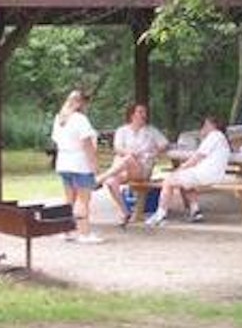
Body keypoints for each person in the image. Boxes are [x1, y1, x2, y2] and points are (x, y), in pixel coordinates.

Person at [146, 116, 231, 227]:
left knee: (168, 181)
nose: (203, 128)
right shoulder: (222, 138)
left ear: (213, 126)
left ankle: (160, 214)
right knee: (185, 181)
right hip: (215, 174)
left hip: (205, 174)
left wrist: (181, 168)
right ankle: (195, 211)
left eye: (206, 125)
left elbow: (197, 158)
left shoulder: (214, 136)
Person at [97, 103, 169, 226]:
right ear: (132, 115)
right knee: (111, 182)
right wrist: (130, 152)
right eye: (140, 112)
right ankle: (125, 212)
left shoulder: (151, 131)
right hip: (124, 169)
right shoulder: (122, 130)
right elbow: (117, 148)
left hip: (142, 169)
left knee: (128, 159)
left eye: (144, 112)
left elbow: (165, 144)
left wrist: (153, 151)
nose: (143, 115)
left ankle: (99, 179)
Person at [51, 90, 103, 244]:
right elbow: (86, 143)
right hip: (80, 162)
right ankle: (84, 232)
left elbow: (56, 140)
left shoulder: (59, 118)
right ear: (81, 103)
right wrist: (94, 163)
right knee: (83, 198)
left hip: (64, 161)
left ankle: (66, 230)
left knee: (69, 198)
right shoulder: (80, 119)